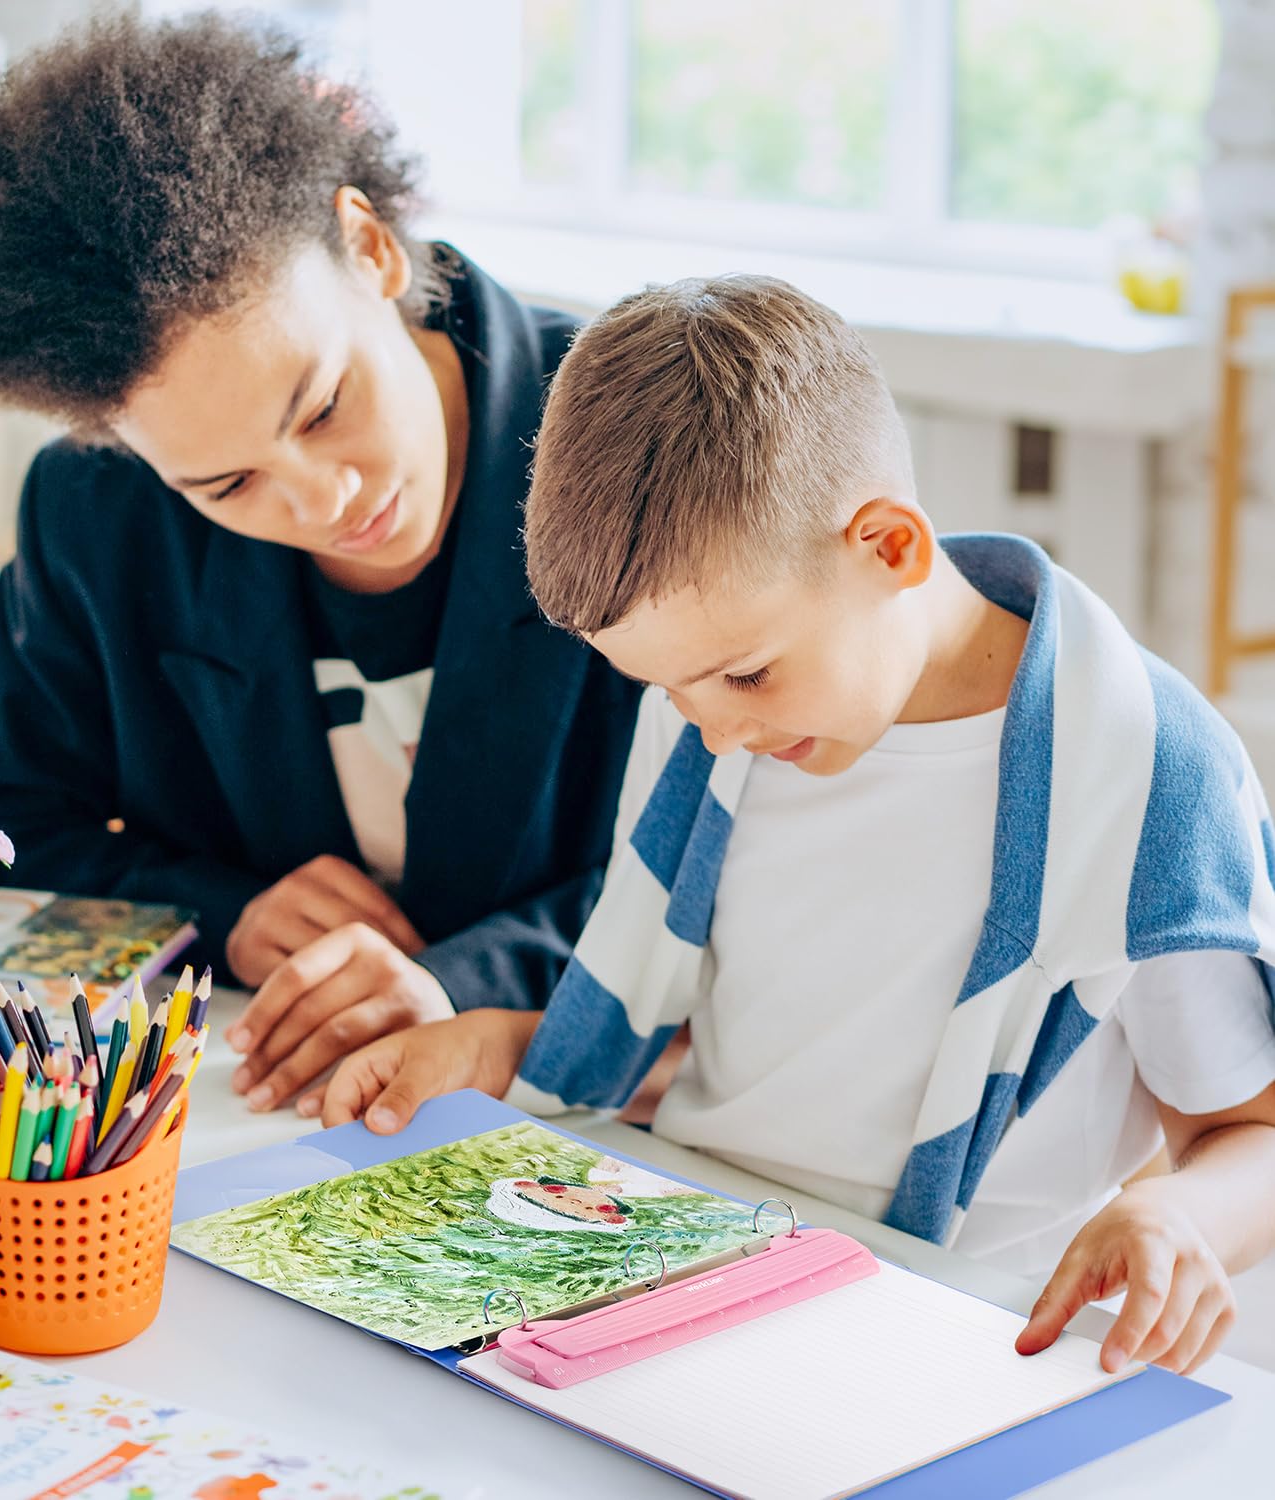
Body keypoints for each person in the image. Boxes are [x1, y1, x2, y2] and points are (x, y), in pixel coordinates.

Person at [314, 275, 1275, 1377]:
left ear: (889, 548)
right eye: (676, 695)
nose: (714, 736)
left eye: (746, 676)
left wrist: (1184, 1222)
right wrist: (502, 1044)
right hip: (695, 1268)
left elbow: (1246, 1133)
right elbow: (742, 1075)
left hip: (954, 1338)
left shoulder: (1143, 778)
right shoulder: (726, 719)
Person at [0, 13, 639, 1111]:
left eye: (324, 406)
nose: (326, 499)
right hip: (259, 1105)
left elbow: (749, 850)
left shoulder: (635, 442)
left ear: (371, 247)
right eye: (225, 486)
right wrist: (222, 910)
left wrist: (464, 982)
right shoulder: (96, 511)